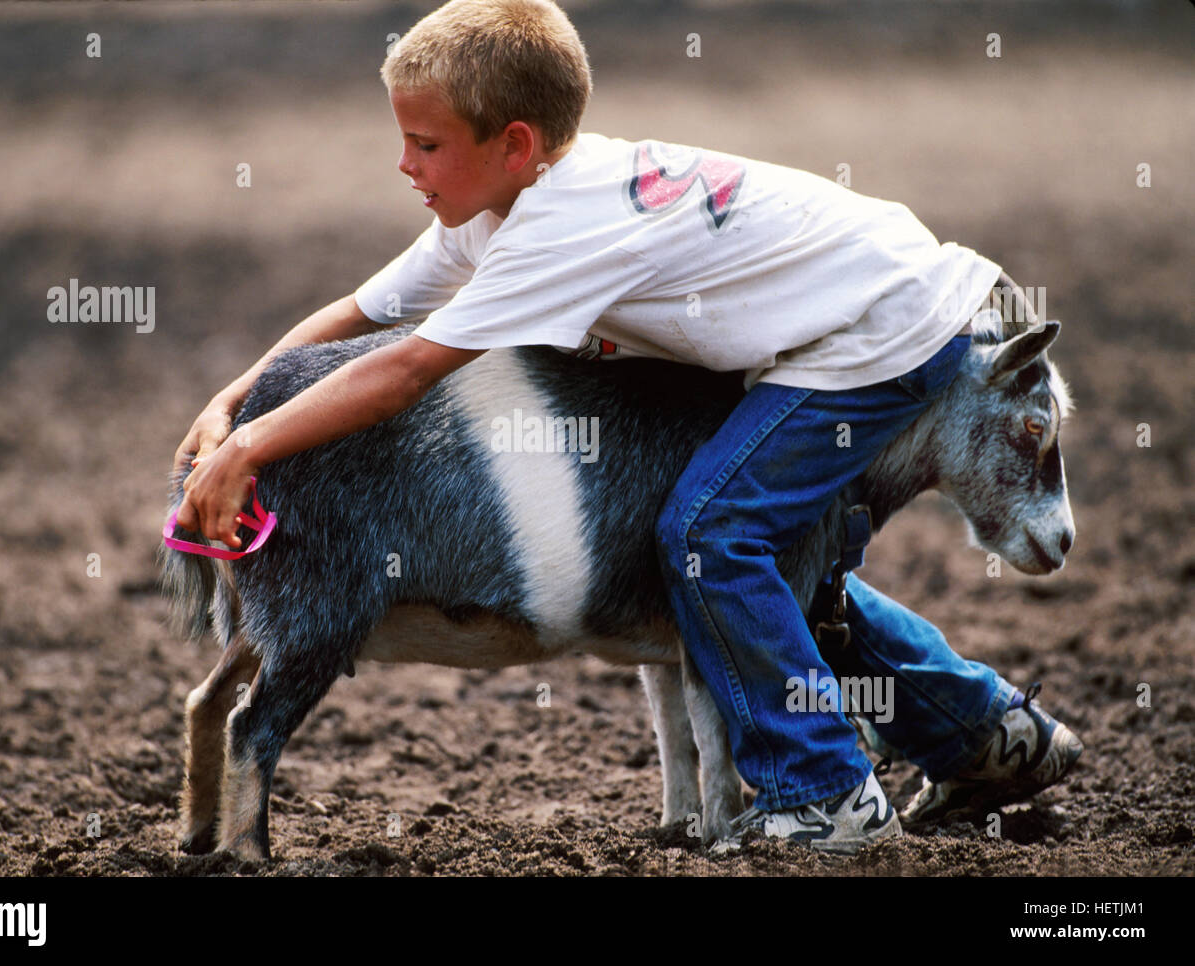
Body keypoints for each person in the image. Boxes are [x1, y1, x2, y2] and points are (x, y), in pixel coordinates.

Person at [173, 0, 1082, 853]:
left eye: (423, 143)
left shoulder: (559, 231)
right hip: (869, 310)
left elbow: (404, 371)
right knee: (780, 561)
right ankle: (987, 735)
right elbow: (359, 314)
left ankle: (827, 792)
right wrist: (229, 403)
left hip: (892, 332)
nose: (404, 164)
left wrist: (254, 446)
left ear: (514, 144)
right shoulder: (499, 197)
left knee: (712, 533)